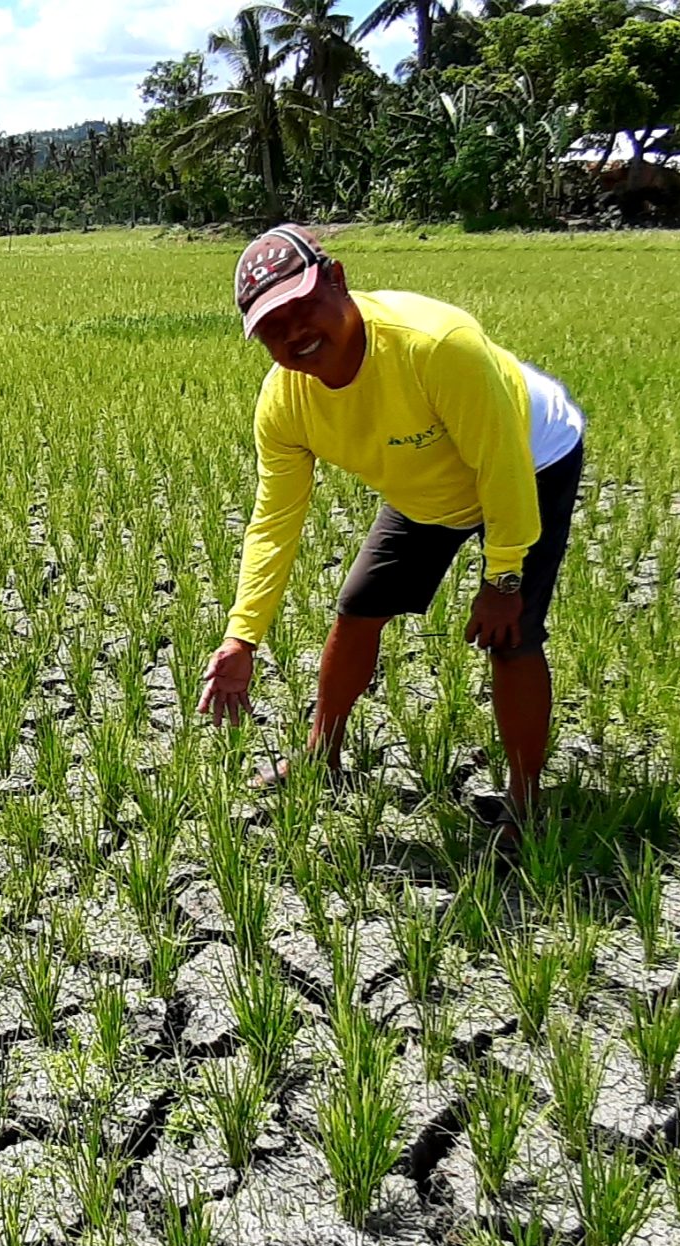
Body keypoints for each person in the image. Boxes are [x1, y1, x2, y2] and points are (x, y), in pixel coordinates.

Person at [195, 224, 585, 828]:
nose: (294, 332)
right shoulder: (285, 403)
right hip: (425, 483)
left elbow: (501, 465)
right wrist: (241, 638)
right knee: (357, 609)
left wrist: (503, 580)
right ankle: (320, 754)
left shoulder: (434, 345)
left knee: (513, 636)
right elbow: (273, 521)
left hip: (530, 459)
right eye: (272, 326)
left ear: (338, 279)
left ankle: (526, 799)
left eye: (302, 307)